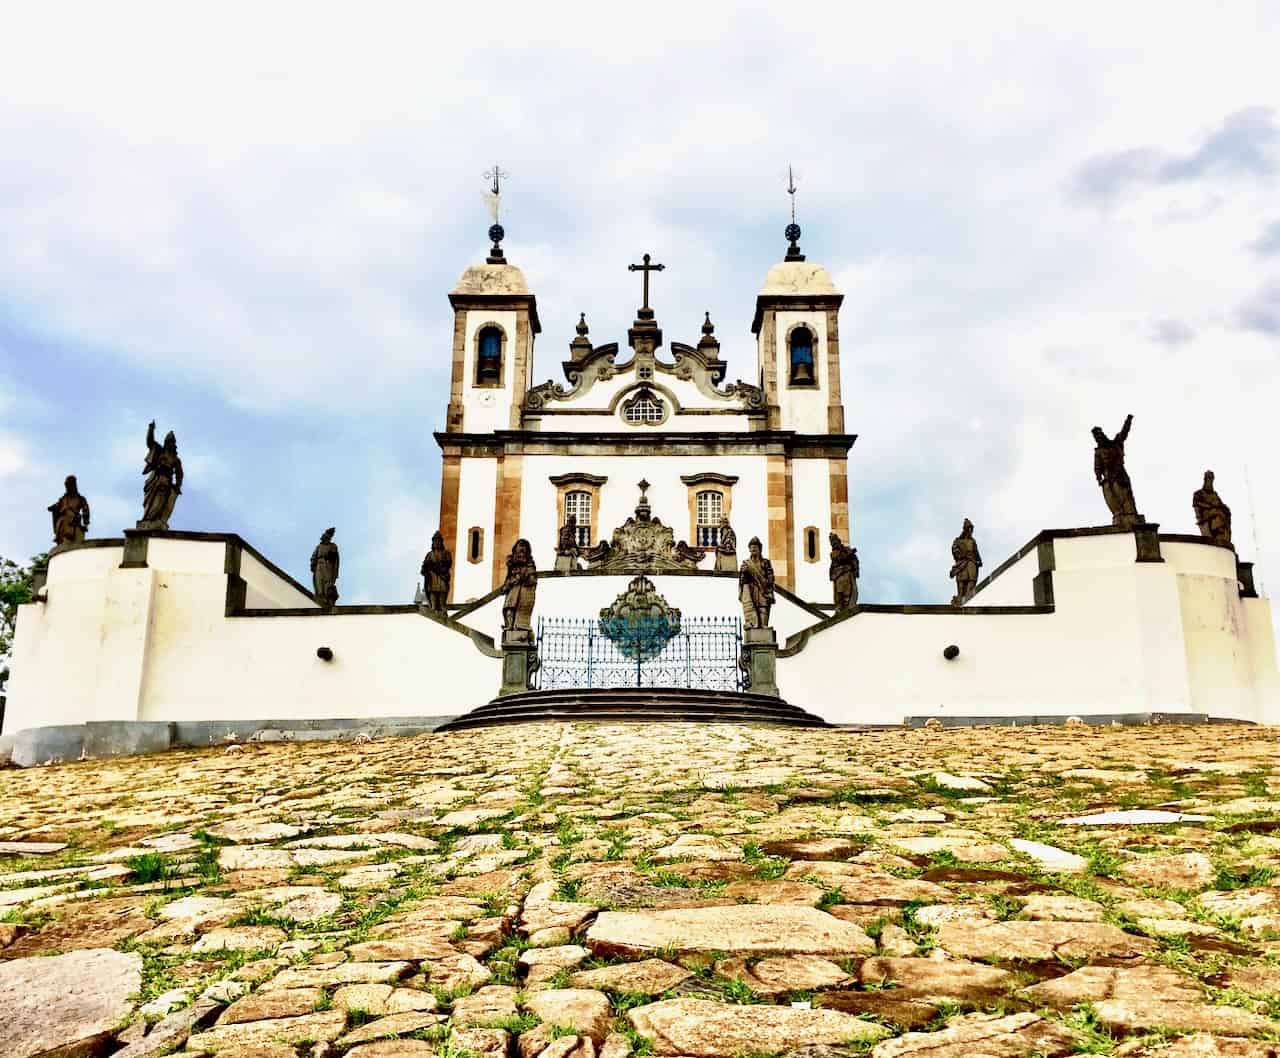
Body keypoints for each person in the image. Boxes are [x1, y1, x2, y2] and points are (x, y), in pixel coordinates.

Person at [1092, 414, 1141, 529]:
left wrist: (1128, 420)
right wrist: (1099, 478)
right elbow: (1097, 467)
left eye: (1100, 435)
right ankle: (1119, 516)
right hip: (1108, 479)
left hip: (1119, 475)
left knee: (1125, 497)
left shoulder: (1116, 443)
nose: (1099, 438)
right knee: (1112, 500)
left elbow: (1124, 433)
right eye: (1096, 437)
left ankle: (1131, 516)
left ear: (1103, 435)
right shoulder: (1098, 452)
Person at [139, 420, 184, 528]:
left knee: (160, 501)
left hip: (165, 482)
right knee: (149, 501)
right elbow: (150, 442)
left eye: (172, 442)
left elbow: (179, 474)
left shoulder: (175, 459)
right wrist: (151, 429)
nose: (170, 444)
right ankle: (147, 519)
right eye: (168, 441)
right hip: (155, 479)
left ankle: (156, 520)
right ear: (165, 442)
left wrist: (177, 486)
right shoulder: (159, 450)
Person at [738, 537, 775, 629]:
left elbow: (770, 576)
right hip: (751, 588)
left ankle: (763, 625)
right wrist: (745, 572)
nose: (753, 549)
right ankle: (751, 623)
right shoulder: (746, 563)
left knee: (763, 606)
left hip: (764, 588)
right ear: (749, 549)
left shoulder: (765, 562)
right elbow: (742, 580)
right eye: (752, 547)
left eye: (755, 547)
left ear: (759, 549)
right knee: (751, 606)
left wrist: (768, 583)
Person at [501, 538, 537, 632]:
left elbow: (532, 578)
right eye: (520, 545)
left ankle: (517, 626)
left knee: (519, 610)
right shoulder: (512, 563)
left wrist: (522, 576)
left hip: (522, 592)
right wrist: (507, 585)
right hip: (513, 589)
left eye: (524, 547)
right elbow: (508, 576)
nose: (522, 548)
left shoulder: (529, 564)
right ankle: (509, 625)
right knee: (509, 608)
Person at [1193, 470, 1232, 547]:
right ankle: (1217, 529)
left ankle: (1222, 533)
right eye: (1208, 478)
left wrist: (1225, 508)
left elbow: (1220, 504)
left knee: (1223, 512)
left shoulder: (1215, 494)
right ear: (1205, 479)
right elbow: (1196, 503)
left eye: (1211, 479)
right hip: (1206, 515)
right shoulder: (1198, 493)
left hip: (1216, 512)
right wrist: (1211, 506)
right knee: (1217, 513)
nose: (1210, 481)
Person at [48, 475, 90, 547]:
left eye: (69, 485)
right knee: (61, 523)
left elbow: (85, 510)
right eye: (66, 486)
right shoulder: (63, 498)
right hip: (62, 521)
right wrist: (53, 507)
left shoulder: (80, 498)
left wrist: (85, 524)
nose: (67, 487)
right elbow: (57, 505)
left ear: (73, 486)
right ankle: (59, 538)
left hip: (74, 519)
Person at [949, 518, 982, 605]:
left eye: (971, 530)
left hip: (972, 562)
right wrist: (961, 555)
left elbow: (976, 552)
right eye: (968, 529)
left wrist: (979, 560)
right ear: (965, 529)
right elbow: (954, 550)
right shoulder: (958, 541)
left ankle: (968, 596)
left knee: (972, 579)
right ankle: (960, 596)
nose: (970, 531)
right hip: (962, 562)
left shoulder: (972, 541)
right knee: (962, 579)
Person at [421, 530, 453, 611]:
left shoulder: (446, 553)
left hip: (442, 577)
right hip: (432, 579)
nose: (437, 543)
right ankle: (433, 607)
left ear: (441, 542)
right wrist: (426, 570)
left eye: (438, 541)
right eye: (435, 541)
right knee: (432, 593)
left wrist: (440, 567)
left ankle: (442, 607)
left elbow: (448, 563)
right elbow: (424, 566)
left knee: (443, 592)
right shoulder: (430, 554)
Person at [310, 528, 340, 610]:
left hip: (327, 565)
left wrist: (331, 554)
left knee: (327, 582)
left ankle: (328, 598)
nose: (325, 537)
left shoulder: (333, 546)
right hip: (319, 566)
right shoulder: (319, 546)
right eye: (325, 535)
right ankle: (320, 596)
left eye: (327, 536)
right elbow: (313, 557)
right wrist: (313, 564)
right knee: (319, 581)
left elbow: (334, 557)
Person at [829, 532, 859, 611]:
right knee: (839, 593)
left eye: (835, 542)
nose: (834, 544)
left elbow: (854, 559)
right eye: (832, 543)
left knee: (848, 592)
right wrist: (849, 553)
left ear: (839, 541)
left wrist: (855, 569)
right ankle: (840, 607)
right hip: (839, 575)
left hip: (847, 574)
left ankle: (848, 606)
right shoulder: (833, 553)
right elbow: (839, 559)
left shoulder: (846, 549)